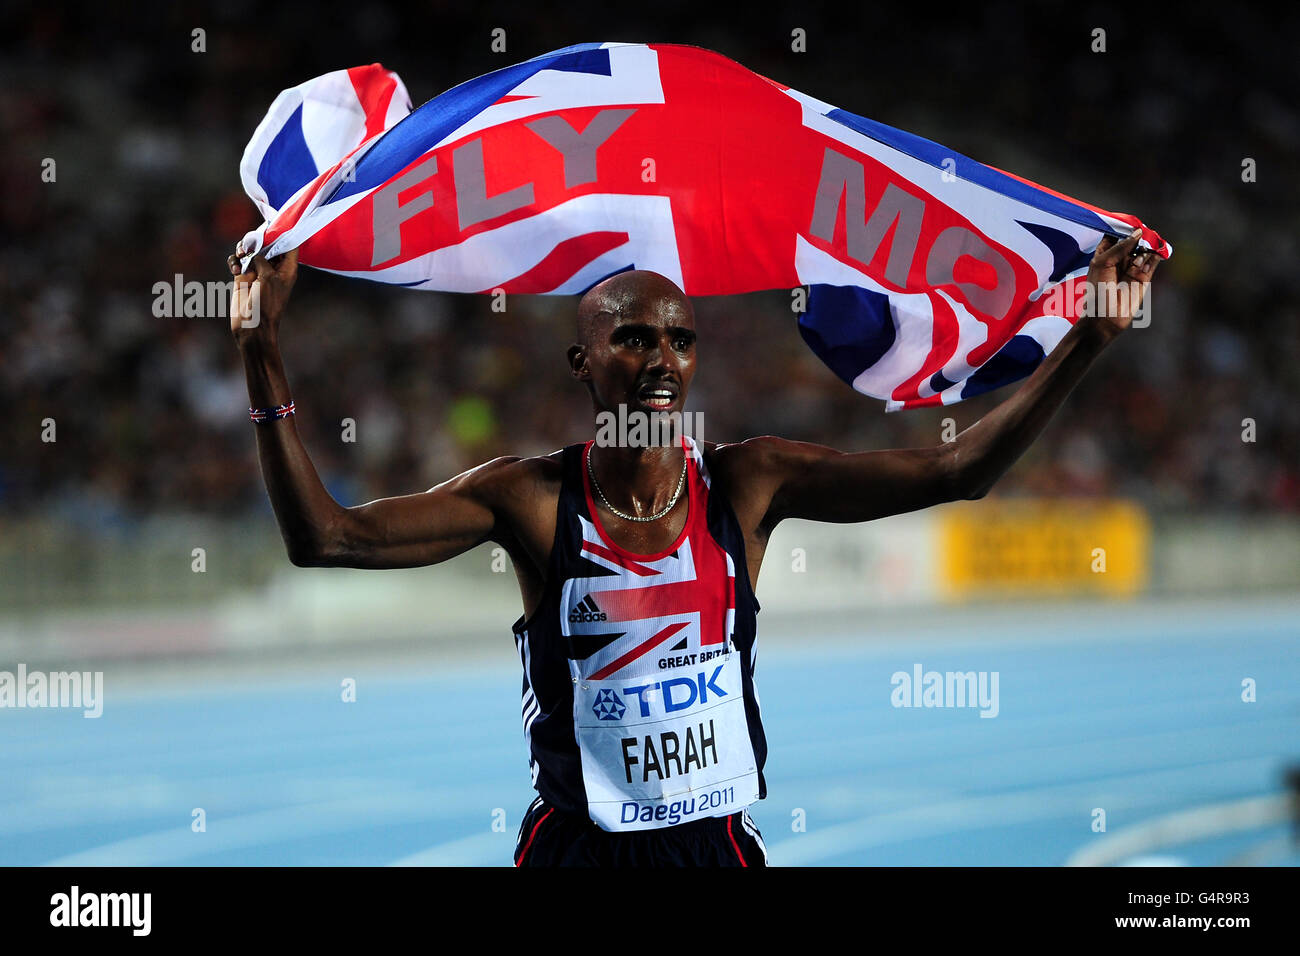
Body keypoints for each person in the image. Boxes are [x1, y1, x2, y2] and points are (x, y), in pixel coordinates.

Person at [227, 229, 1158, 866]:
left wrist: (1087, 340)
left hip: (714, 845)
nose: (662, 358)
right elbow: (328, 537)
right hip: (577, 851)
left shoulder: (749, 484)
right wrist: (262, 352)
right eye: (631, 338)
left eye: (680, 339)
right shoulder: (532, 499)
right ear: (582, 362)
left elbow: (957, 472)